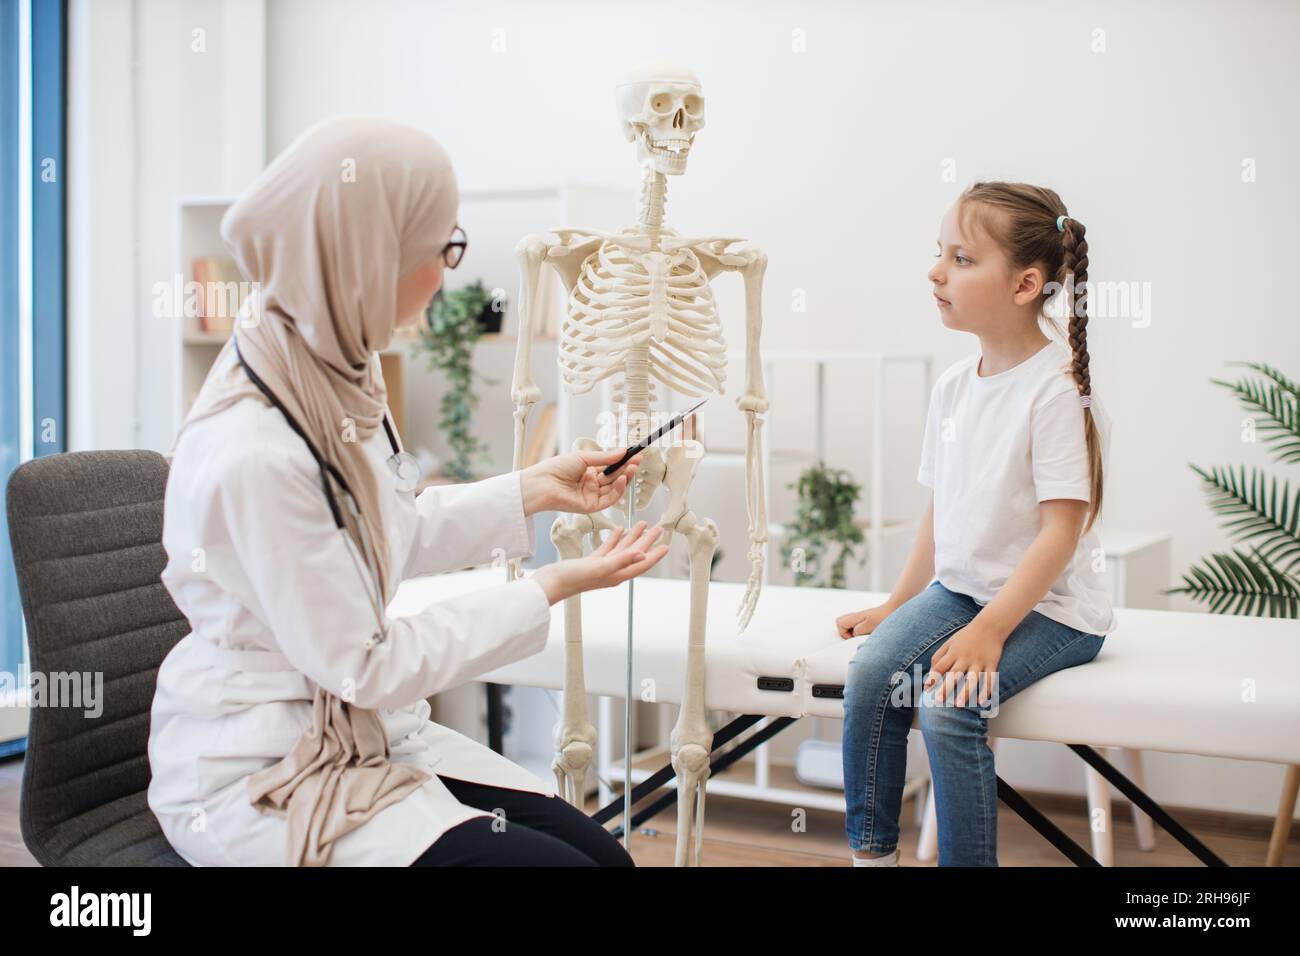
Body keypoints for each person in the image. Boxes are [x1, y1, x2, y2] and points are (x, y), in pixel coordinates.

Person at [147, 115, 668, 867]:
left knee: (604, 859)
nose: (448, 273)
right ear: (368, 259)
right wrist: (550, 587)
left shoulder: (333, 368)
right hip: (261, 761)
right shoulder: (255, 449)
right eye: (442, 248)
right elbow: (367, 663)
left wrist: (531, 489)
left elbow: (383, 532)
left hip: (361, 723)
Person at [837, 182, 1117, 867]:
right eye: (940, 254)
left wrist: (990, 630)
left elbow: (1060, 533)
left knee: (946, 705)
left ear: (1025, 284)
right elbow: (944, 509)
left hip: (1052, 610)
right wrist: (899, 603)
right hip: (964, 594)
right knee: (872, 674)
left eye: (961, 258)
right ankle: (871, 856)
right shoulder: (955, 387)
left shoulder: (1058, 390)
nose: (936, 271)